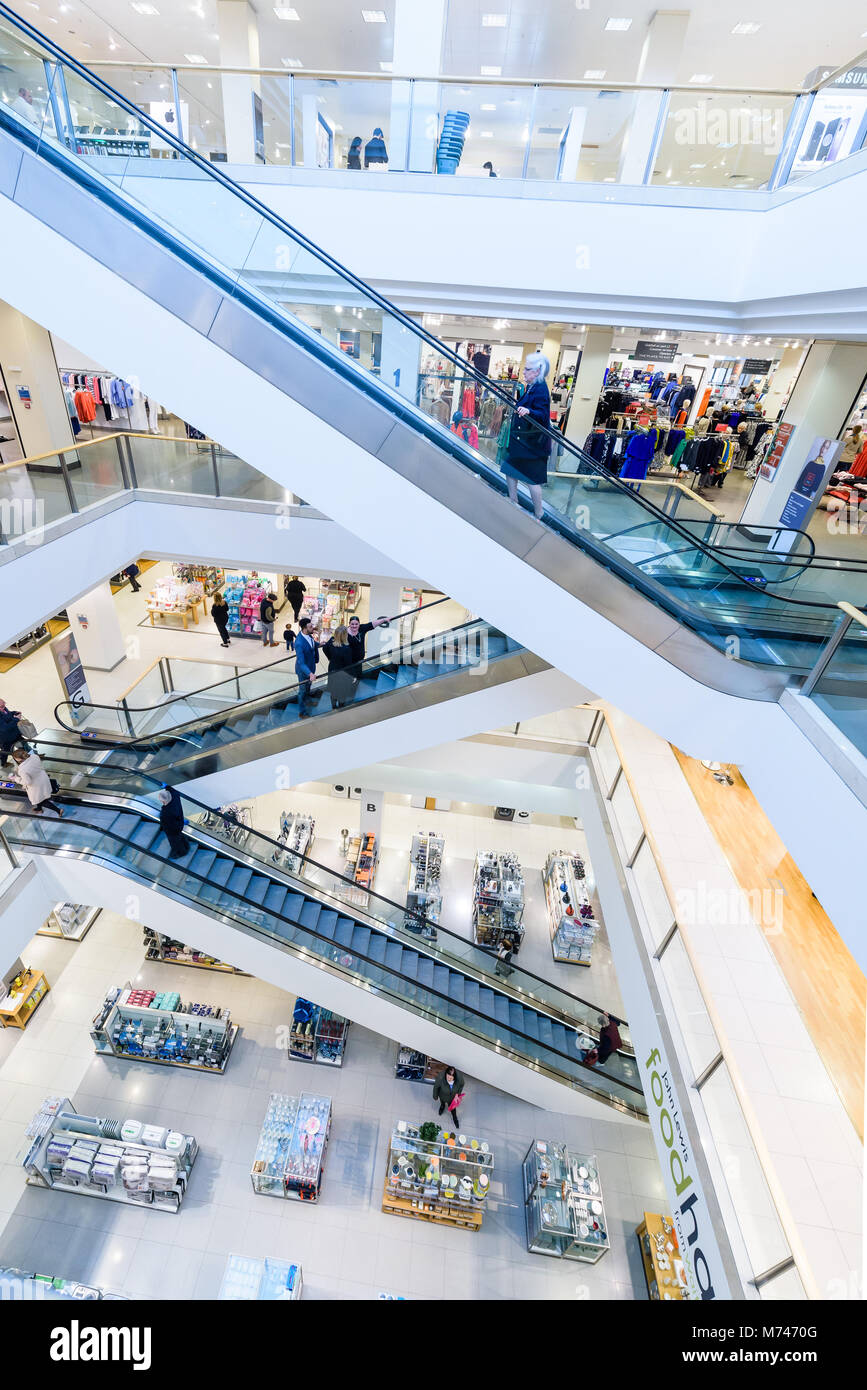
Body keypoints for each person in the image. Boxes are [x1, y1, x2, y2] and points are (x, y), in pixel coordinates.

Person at [502, 351, 551, 520]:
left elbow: (544, 415)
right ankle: (513, 500)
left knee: (532, 479)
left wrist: (529, 410)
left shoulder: (541, 389)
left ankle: (539, 513)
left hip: (532, 445)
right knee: (510, 468)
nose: (523, 372)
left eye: (527, 369)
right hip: (524, 442)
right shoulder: (533, 387)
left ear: (537, 371)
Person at [11, 745, 63, 816]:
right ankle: (39, 809)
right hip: (43, 779)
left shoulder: (22, 769)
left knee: (40, 800)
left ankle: (58, 810)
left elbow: (27, 782)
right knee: (40, 798)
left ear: (18, 759)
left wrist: (16, 779)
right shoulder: (34, 756)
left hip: (35, 786)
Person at [320, 624, 357, 710]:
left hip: (332, 669)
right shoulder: (346, 648)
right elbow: (349, 664)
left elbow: (324, 648)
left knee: (333, 690)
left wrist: (330, 658)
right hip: (343, 673)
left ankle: (333, 706)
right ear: (345, 635)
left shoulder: (331, 641)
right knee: (342, 691)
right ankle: (341, 707)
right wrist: (353, 675)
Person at [294, 617, 319, 719]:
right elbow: (301, 662)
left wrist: (319, 644)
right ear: (304, 628)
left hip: (311, 666)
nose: (312, 627)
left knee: (308, 687)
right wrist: (310, 674)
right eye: (310, 626)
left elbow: (311, 643)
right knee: (302, 691)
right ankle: (302, 712)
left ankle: (308, 701)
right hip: (304, 671)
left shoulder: (308, 635)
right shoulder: (299, 643)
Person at [157, 786, 190, 859]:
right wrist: (168, 787)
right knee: (180, 836)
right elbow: (173, 790)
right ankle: (186, 845)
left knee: (175, 841)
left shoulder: (166, 813)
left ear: (163, 801)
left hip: (174, 830)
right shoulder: (175, 796)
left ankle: (181, 852)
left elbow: (168, 825)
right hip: (180, 821)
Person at [0, 700, 22, 766]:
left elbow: (8, 715)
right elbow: (5, 728)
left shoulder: (4, 709)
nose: (4, 707)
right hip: (6, 738)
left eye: (4, 704)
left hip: (14, 733)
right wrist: (16, 719)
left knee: (25, 744)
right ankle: (4, 763)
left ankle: (34, 755)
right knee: (6, 751)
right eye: (2, 706)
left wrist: (14, 713)